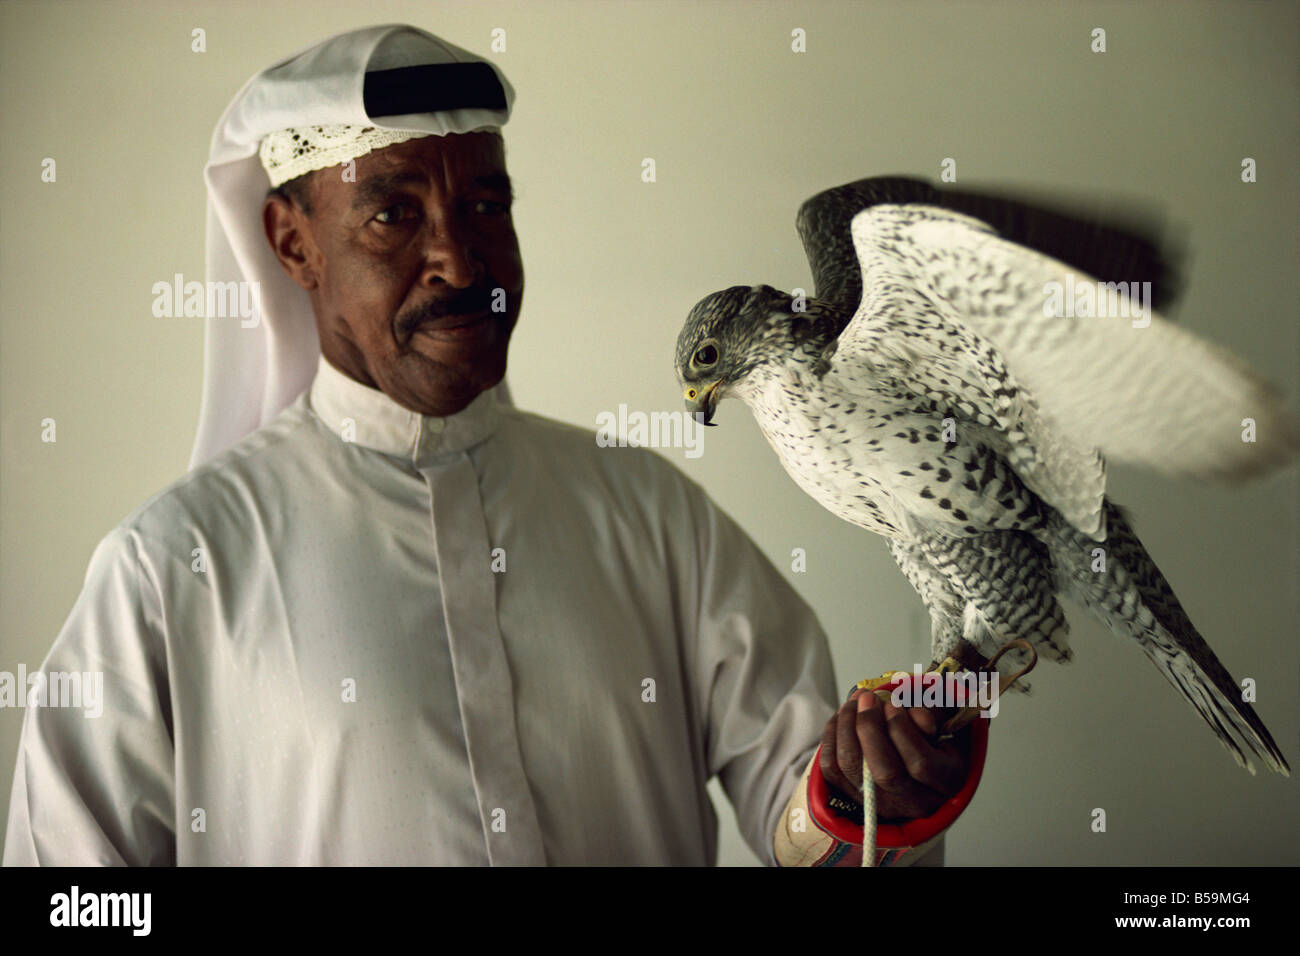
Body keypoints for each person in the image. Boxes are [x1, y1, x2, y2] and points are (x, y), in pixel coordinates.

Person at [3, 24, 973, 867]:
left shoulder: (649, 514)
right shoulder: (170, 569)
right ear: (292, 244)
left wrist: (863, 783)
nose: (461, 261)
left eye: (484, 206)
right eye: (393, 213)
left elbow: (812, 824)